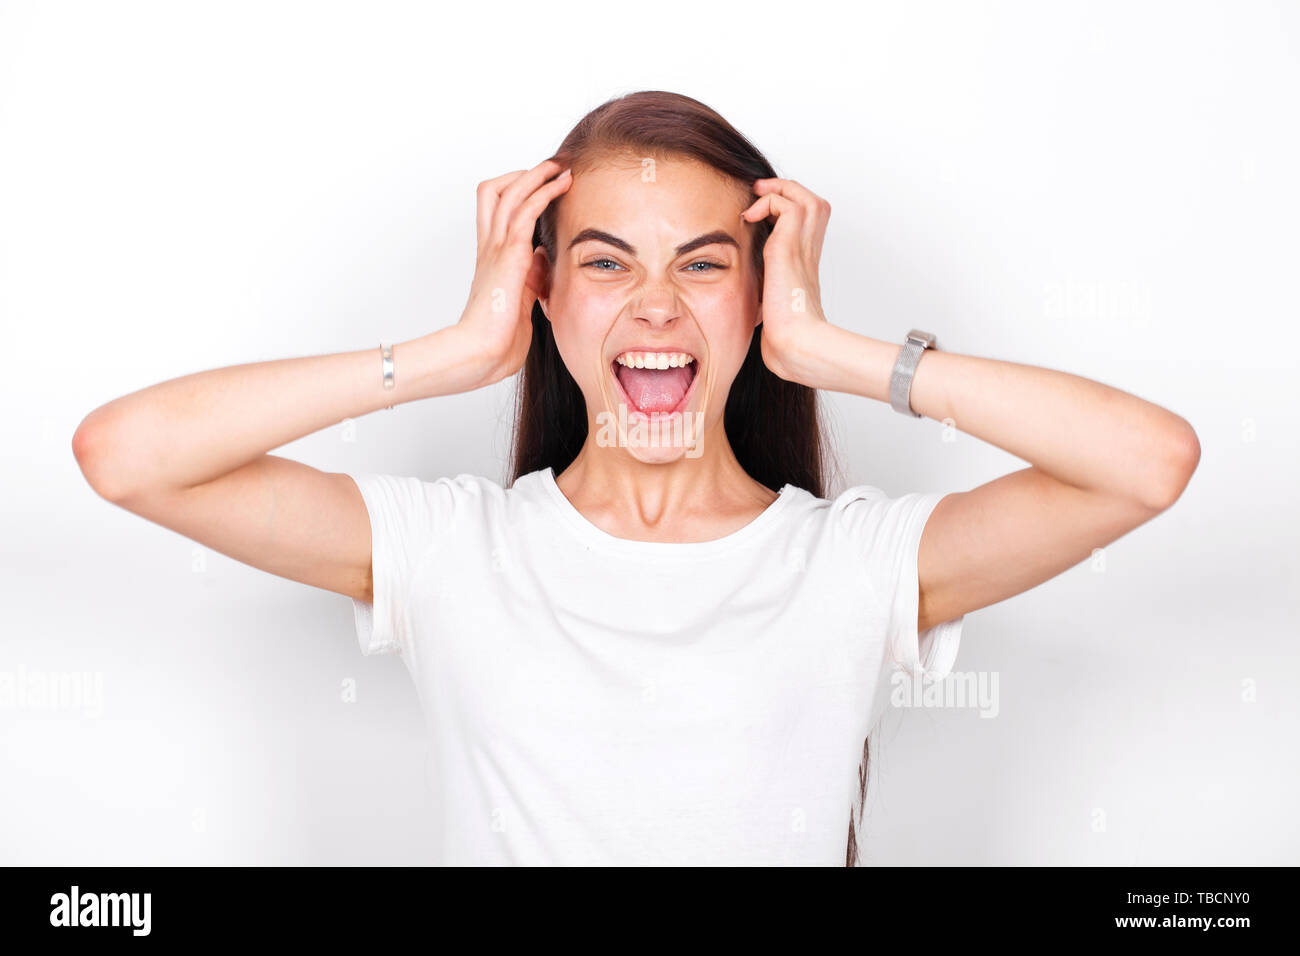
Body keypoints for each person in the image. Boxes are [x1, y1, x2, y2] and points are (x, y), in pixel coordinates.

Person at [71, 90, 1200, 865]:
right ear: (544, 293)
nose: (655, 306)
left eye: (703, 265)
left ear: (759, 299)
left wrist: (836, 352)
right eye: (606, 262)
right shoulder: (452, 550)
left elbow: (1147, 464)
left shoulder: (851, 561)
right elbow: (126, 454)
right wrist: (451, 354)